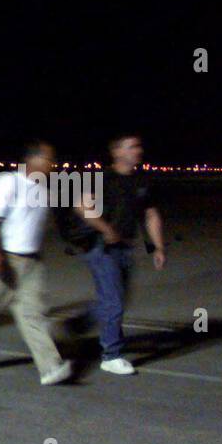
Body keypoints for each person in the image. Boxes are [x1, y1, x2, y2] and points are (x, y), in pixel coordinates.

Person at [0, 141, 73, 385]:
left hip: (32, 262)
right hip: (6, 258)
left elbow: (42, 223)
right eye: (50, 160)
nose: (54, 165)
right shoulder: (9, 181)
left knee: (33, 314)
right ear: (34, 160)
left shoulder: (44, 189)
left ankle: (50, 367)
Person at [74, 134, 167, 375]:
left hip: (125, 247)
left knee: (117, 298)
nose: (138, 150)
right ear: (117, 152)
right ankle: (111, 355)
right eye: (132, 146)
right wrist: (106, 230)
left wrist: (158, 247)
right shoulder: (102, 178)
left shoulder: (142, 181)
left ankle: (81, 322)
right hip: (100, 247)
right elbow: (82, 207)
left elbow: (151, 215)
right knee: (114, 301)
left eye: (139, 145)